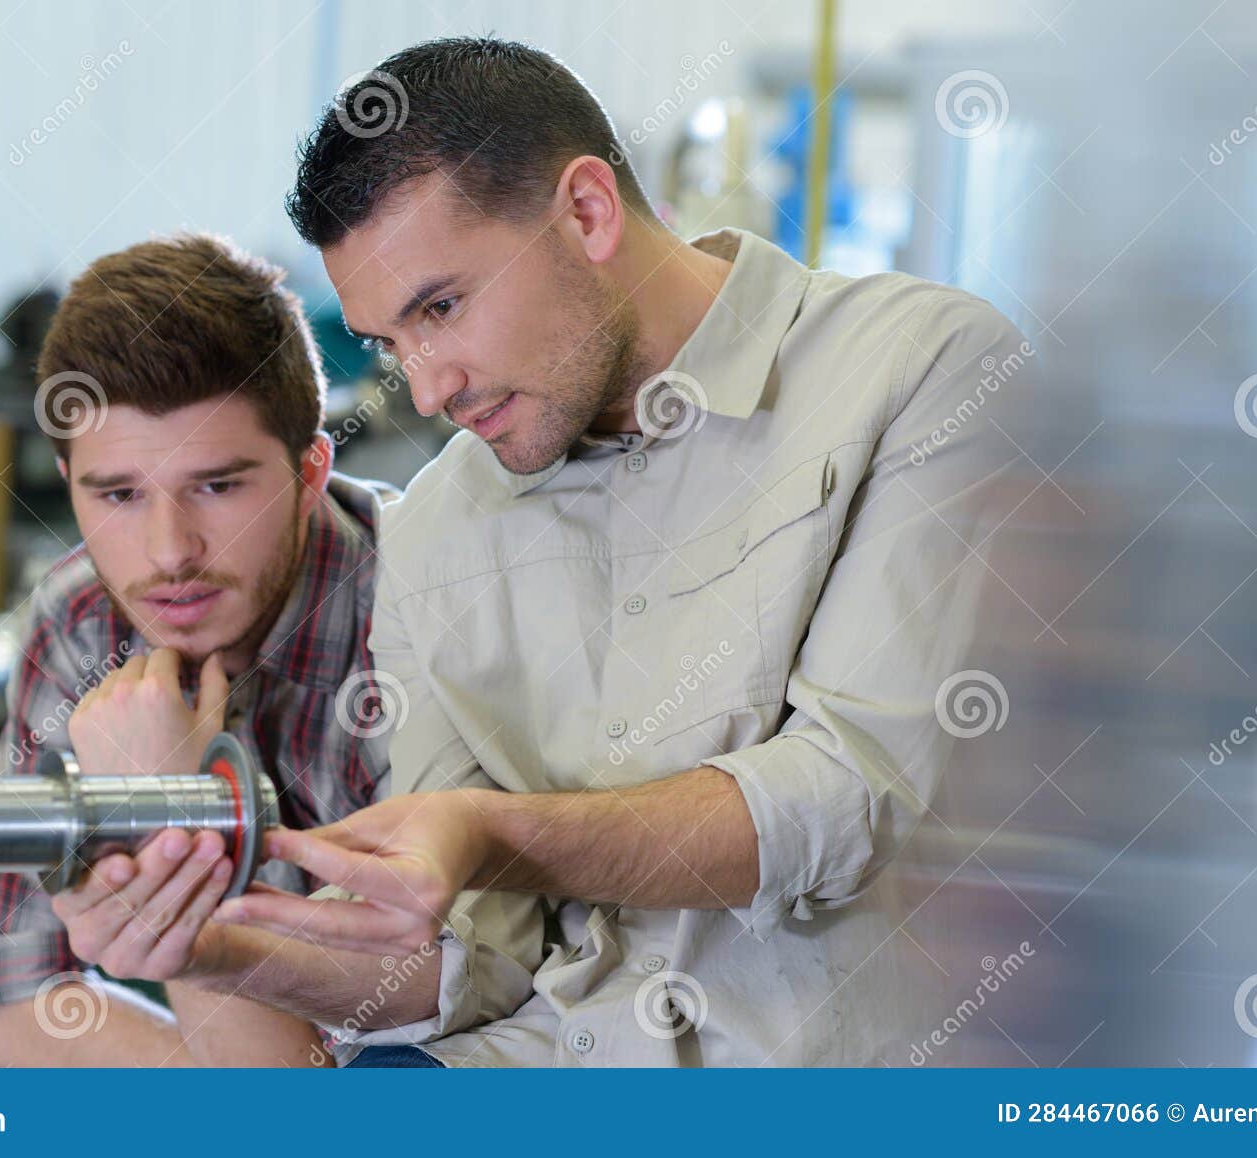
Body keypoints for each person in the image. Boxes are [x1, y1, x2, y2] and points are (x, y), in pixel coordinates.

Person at [51, 37, 1030, 1068]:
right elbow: (470, 961)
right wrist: (208, 945)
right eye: (389, 342)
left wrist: (494, 832)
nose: (426, 390)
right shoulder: (435, 530)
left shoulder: (920, 370)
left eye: (439, 307)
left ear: (587, 213)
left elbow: (852, 792)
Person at [0, 234, 393, 1066]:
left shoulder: (422, 616)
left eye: (217, 487)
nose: (168, 553)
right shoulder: (81, 616)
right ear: (66, 479)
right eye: (117, 494)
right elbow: (12, 993)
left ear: (310, 472)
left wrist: (174, 811)